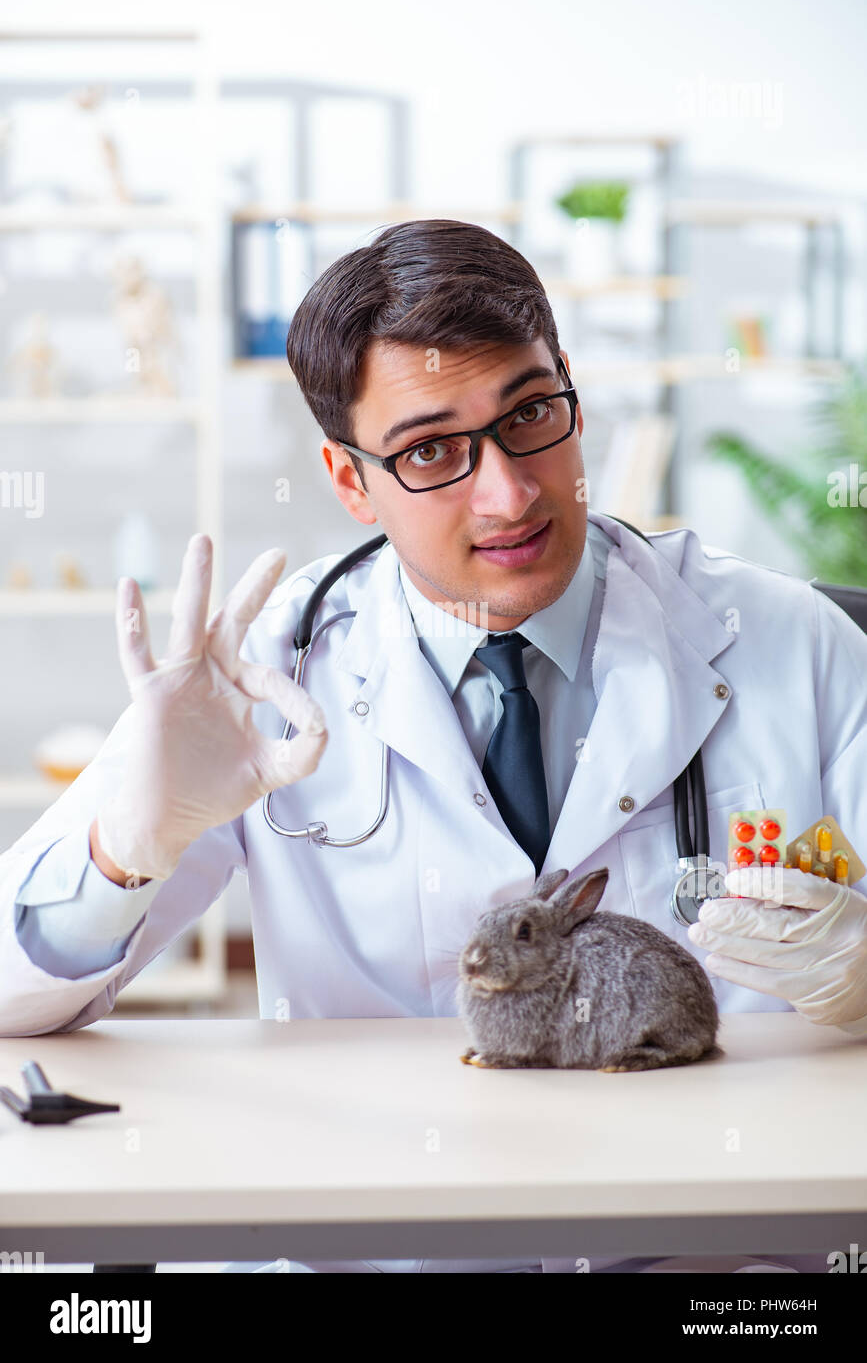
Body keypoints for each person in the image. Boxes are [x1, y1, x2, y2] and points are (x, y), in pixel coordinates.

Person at [2, 220, 866, 1275]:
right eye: (430, 451)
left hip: (717, 1267)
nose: (507, 495)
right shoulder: (265, 673)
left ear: (575, 407)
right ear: (350, 480)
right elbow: (10, 1002)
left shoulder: (794, 645)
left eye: (530, 415)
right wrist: (123, 848)